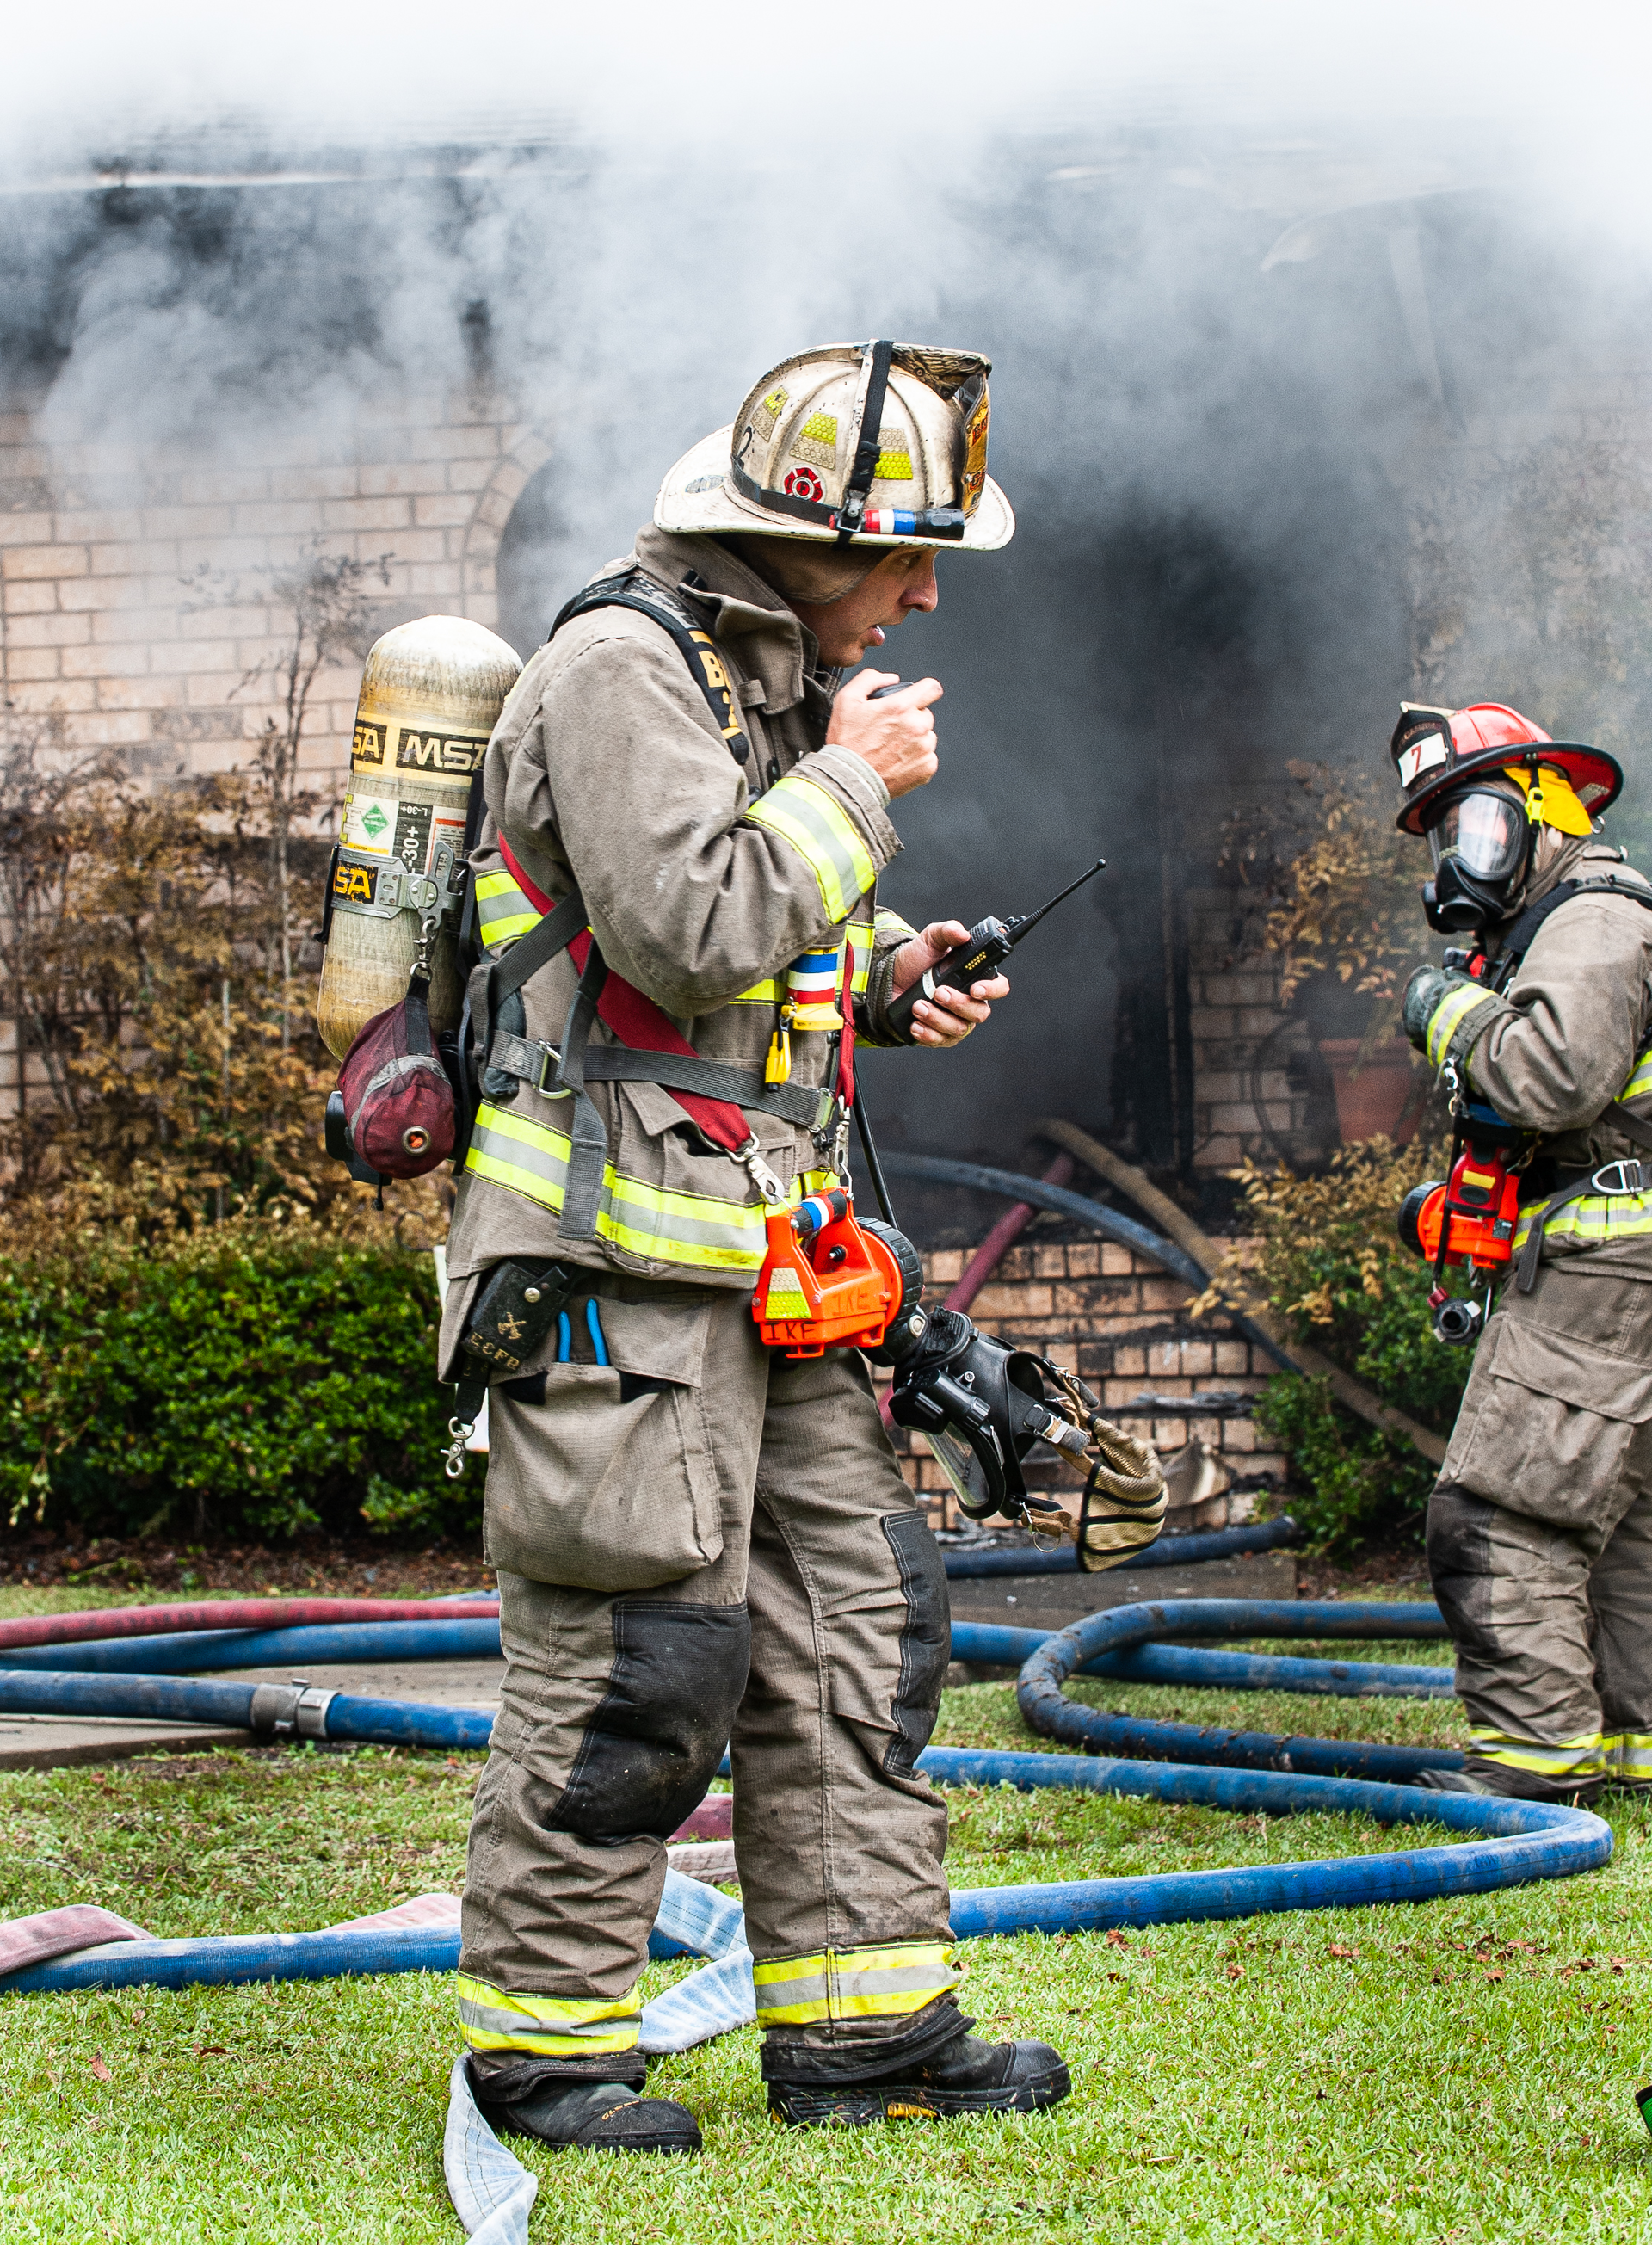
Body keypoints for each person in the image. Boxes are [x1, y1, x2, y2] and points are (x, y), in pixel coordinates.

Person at [438, 342, 1073, 2153]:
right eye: (907, 557)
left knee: (860, 1626)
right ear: (799, 539)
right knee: (640, 1658)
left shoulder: (763, 694)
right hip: (615, 1277)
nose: (929, 594)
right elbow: (689, 917)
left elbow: (741, 970)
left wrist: (886, 971)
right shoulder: (621, 668)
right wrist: (859, 785)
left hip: (774, 1268)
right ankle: (548, 2049)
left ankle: (867, 2023)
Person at [1394, 699, 1652, 1803]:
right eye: (1448, 836)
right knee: (1627, 1529)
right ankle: (1631, 1753)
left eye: (1479, 825)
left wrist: (1445, 1011)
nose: (1463, 856)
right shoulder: (1560, 928)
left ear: (1546, 810)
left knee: (1498, 1513)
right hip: (1611, 1250)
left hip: (1604, 1267)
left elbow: (1551, 1075)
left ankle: (1531, 1772)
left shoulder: (1592, 918)